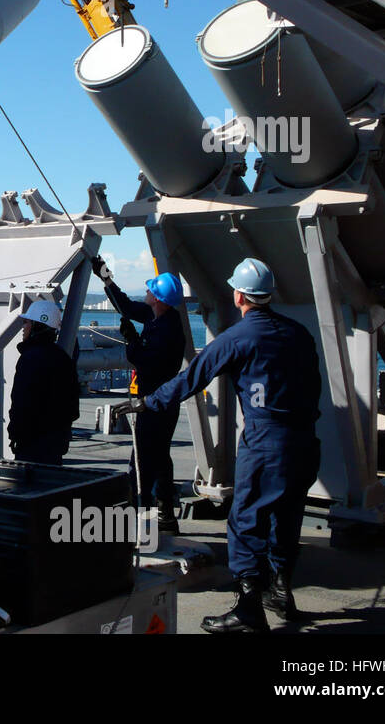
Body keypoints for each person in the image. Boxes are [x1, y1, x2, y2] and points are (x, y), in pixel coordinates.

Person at [116, 257, 322, 633]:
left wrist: (148, 402)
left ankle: (248, 609)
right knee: (287, 517)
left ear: (239, 296)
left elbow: (191, 378)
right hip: (305, 441)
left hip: (266, 442)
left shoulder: (239, 337)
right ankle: (280, 590)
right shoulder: (299, 334)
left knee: (246, 521)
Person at [93, 258, 187, 532]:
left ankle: (135, 516)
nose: (145, 293)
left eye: (150, 291)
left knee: (144, 459)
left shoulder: (166, 331)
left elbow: (144, 361)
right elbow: (126, 306)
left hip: (155, 404)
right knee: (158, 457)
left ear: (157, 298)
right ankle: (165, 515)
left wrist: (132, 341)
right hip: (160, 403)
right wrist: (106, 278)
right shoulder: (161, 317)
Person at [7, 299, 79, 465]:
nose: (24, 327)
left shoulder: (29, 359)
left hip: (31, 446)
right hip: (55, 446)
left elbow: (21, 403)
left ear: (37, 326)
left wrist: (15, 434)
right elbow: (72, 408)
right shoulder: (64, 359)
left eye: (27, 322)